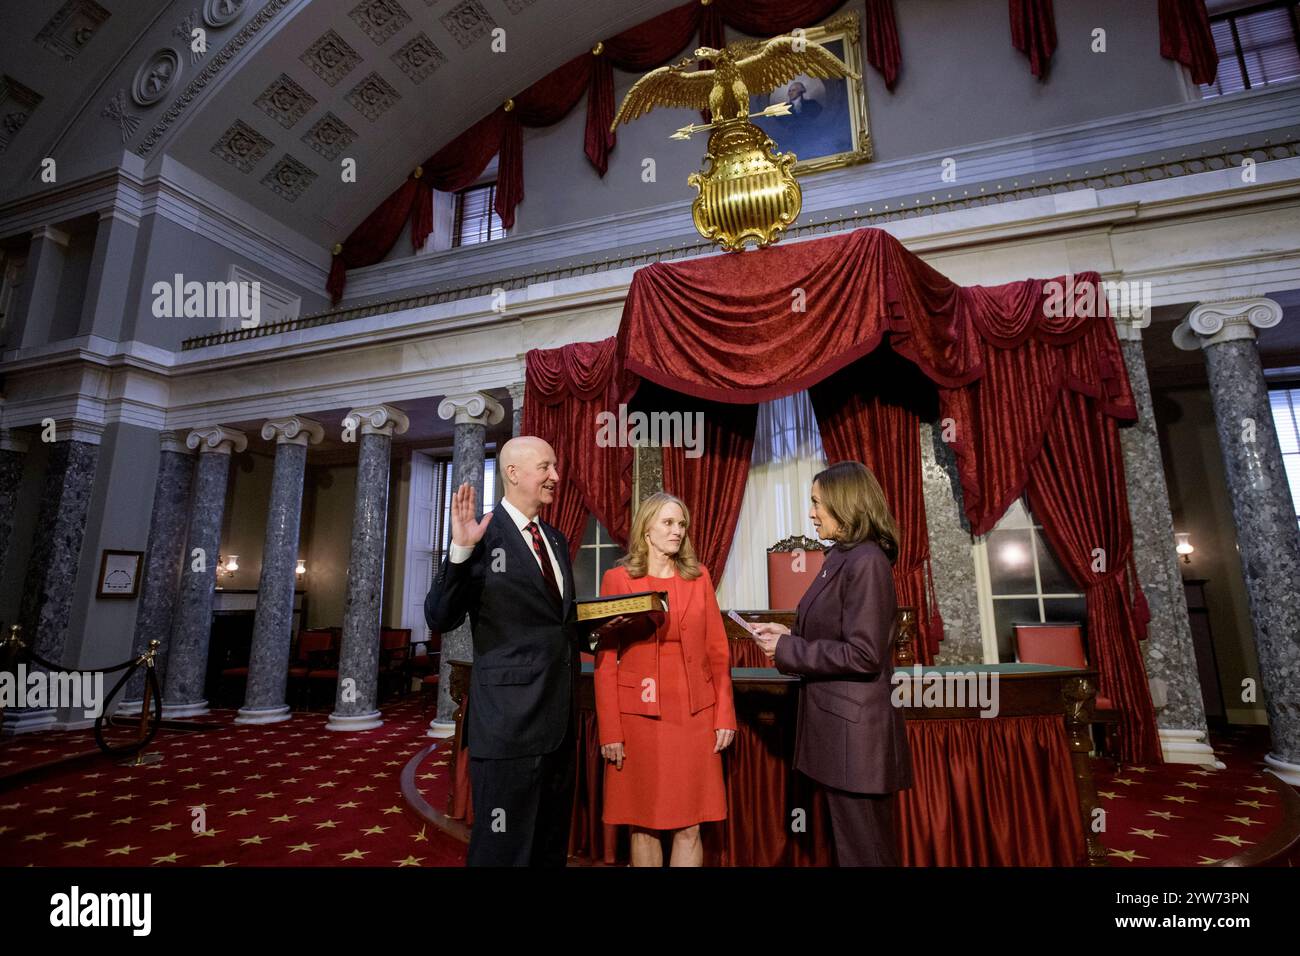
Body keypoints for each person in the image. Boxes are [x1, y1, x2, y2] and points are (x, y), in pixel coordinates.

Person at [424, 436, 581, 867]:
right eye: (546, 467)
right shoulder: (481, 535)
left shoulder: (556, 538)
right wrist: (459, 553)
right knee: (503, 851)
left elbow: (555, 623)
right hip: (509, 728)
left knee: (549, 849)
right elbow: (439, 617)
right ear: (513, 473)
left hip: (560, 726)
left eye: (555, 467)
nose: (556, 476)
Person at [751, 461, 913, 866]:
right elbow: (834, 636)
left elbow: (863, 654)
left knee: (867, 854)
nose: (811, 513)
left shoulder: (867, 561)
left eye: (817, 503)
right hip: (842, 736)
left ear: (845, 505)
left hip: (855, 741)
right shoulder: (843, 557)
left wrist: (789, 650)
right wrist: (787, 636)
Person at [593, 492, 736, 866]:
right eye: (668, 523)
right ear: (647, 530)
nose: (677, 531)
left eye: (682, 524)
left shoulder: (699, 576)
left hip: (695, 716)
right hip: (638, 719)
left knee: (691, 823)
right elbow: (606, 660)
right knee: (643, 823)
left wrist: (725, 715)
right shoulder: (618, 579)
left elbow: (718, 652)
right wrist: (610, 730)